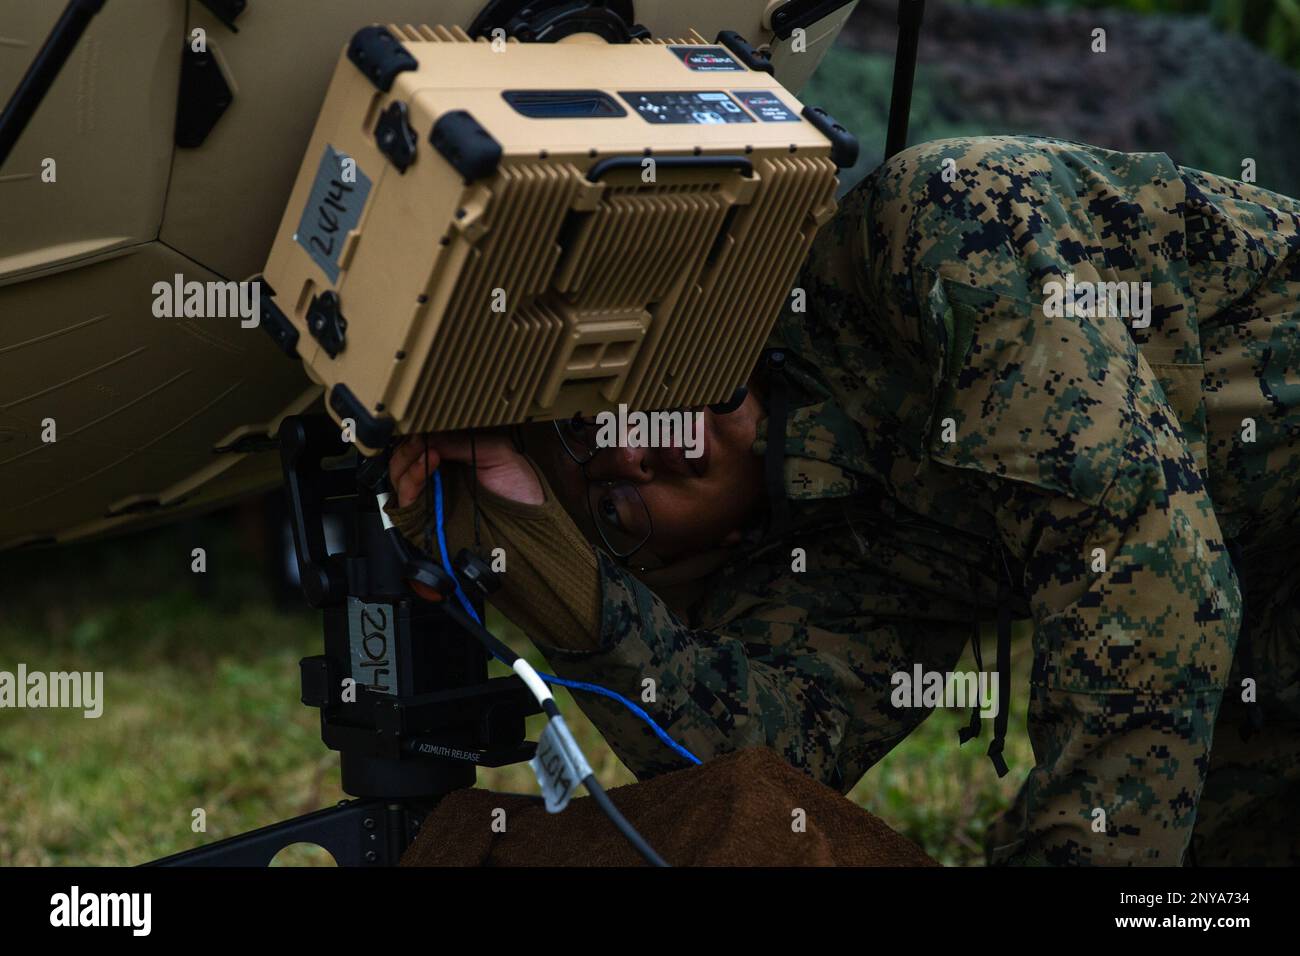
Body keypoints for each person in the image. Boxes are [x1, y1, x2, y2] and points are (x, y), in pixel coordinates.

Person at [385, 135, 1300, 866]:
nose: (636, 451)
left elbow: (1150, 575)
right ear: (688, 560)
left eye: (592, 420)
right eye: (616, 510)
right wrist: (534, 556)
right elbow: (757, 765)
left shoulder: (932, 229)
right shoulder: (825, 553)